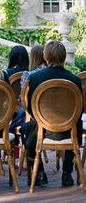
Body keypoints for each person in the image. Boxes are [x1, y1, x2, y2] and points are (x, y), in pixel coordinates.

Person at [23, 40, 83, 188]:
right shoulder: (74, 80)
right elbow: (79, 110)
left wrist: (43, 120)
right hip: (69, 132)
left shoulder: (35, 78)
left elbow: (31, 108)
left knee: (26, 128)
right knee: (76, 122)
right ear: (63, 57)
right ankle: (67, 173)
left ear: (46, 56)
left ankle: (41, 172)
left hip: (43, 131)